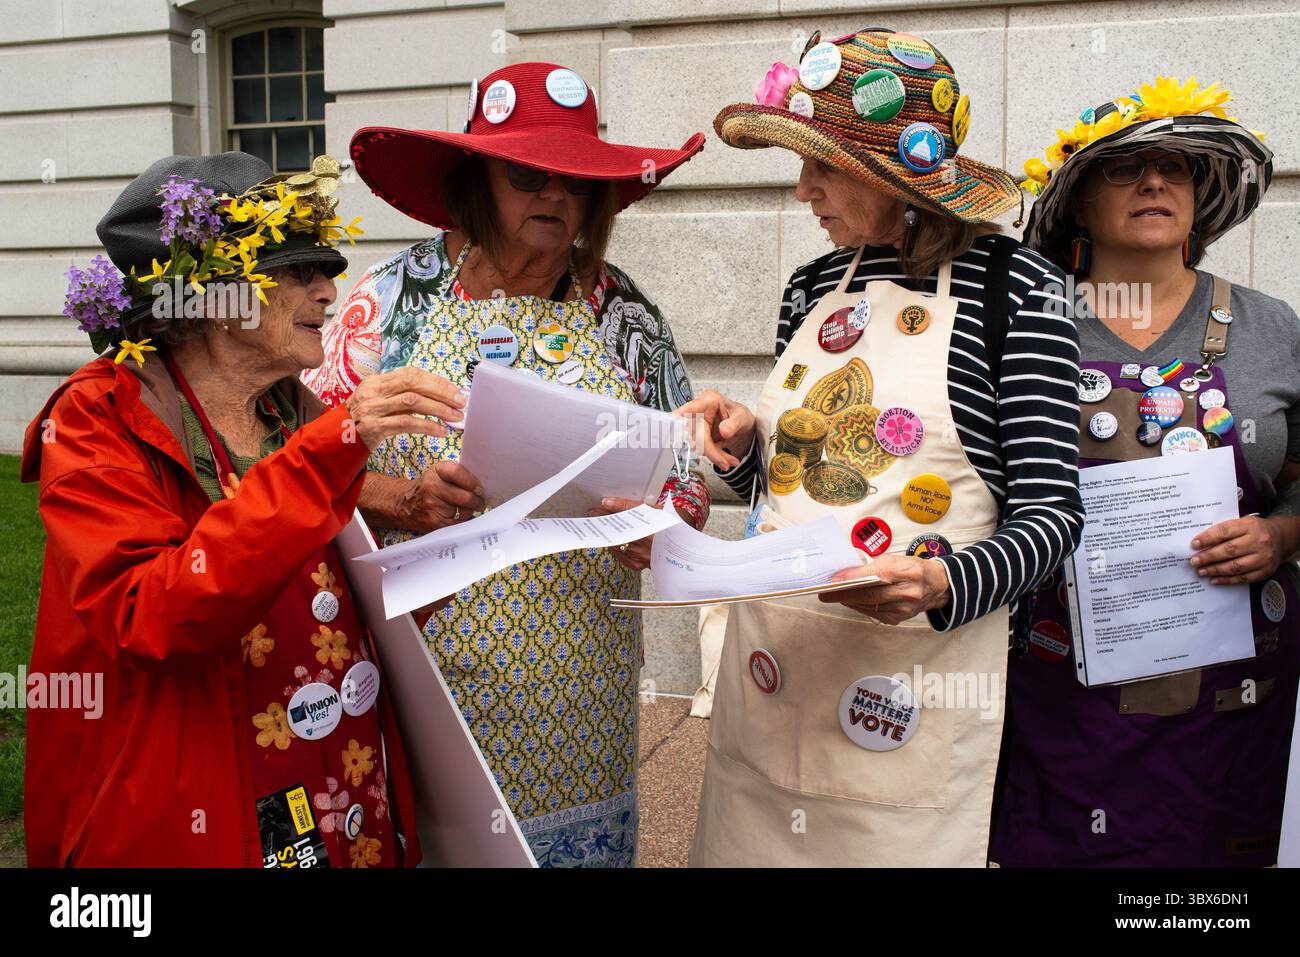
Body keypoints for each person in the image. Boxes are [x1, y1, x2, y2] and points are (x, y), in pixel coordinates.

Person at [678, 27, 1084, 866]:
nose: (802, 191)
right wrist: (748, 448)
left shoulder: (1021, 292)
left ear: (894, 178)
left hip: (909, 692)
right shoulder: (813, 287)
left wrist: (940, 580)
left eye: (821, 167)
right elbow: (804, 484)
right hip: (773, 676)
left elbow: (1055, 515)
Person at [303, 62, 709, 866]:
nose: (555, 196)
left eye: (577, 181)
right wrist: (398, 497)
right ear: (478, 178)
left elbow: (690, 470)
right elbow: (300, 467)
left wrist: (659, 523)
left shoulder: (623, 312)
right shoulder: (391, 301)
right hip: (429, 670)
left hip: (579, 688)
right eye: (529, 174)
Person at [23, 152, 467, 867]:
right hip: (198, 814)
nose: (329, 290)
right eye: (300, 271)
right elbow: (151, 617)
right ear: (211, 294)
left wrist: (437, 557)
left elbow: (321, 609)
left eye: (325, 268)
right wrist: (332, 449)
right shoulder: (95, 418)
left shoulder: (291, 413)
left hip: (336, 791)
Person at [990, 77, 1300, 866]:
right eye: (1126, 169)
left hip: (1236, 702)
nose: (1156, 181)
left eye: (1177, 168)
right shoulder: (1029, 322)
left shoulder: (1271, 326)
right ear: (1079, 205)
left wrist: (1281, 531)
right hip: (1066, 704)